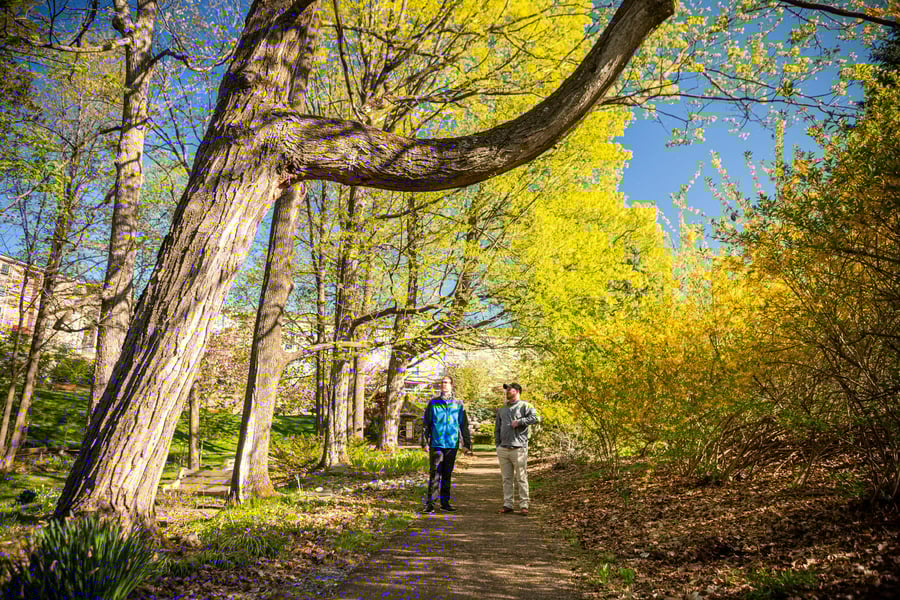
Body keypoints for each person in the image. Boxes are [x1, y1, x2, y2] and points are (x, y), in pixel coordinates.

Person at [421, 375, 473, 513]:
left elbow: (463, 425)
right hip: (437, 443)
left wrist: (467, 444)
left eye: (447, 382)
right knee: (435, 473)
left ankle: (445, 503)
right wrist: (424, 442)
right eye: (442, 382)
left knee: (447, 473)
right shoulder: (433, 403)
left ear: (452, 385)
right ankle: (430, 504)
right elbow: (426, 424)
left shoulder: (459, 404)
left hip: (451, 444)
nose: (444, 385)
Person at [495, 382, 539, 515]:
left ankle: (524, 505)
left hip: (519, 449)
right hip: (503, 448)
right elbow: (497, 428)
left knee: (521, 478)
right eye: (506, 389)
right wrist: (498, 445)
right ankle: (508, 505)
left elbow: (536, 418)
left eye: (510, 389)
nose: (507, 391)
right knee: (506, 479)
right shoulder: (502, 409)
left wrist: (520, 422)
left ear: (518, 391)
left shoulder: (525, 406)